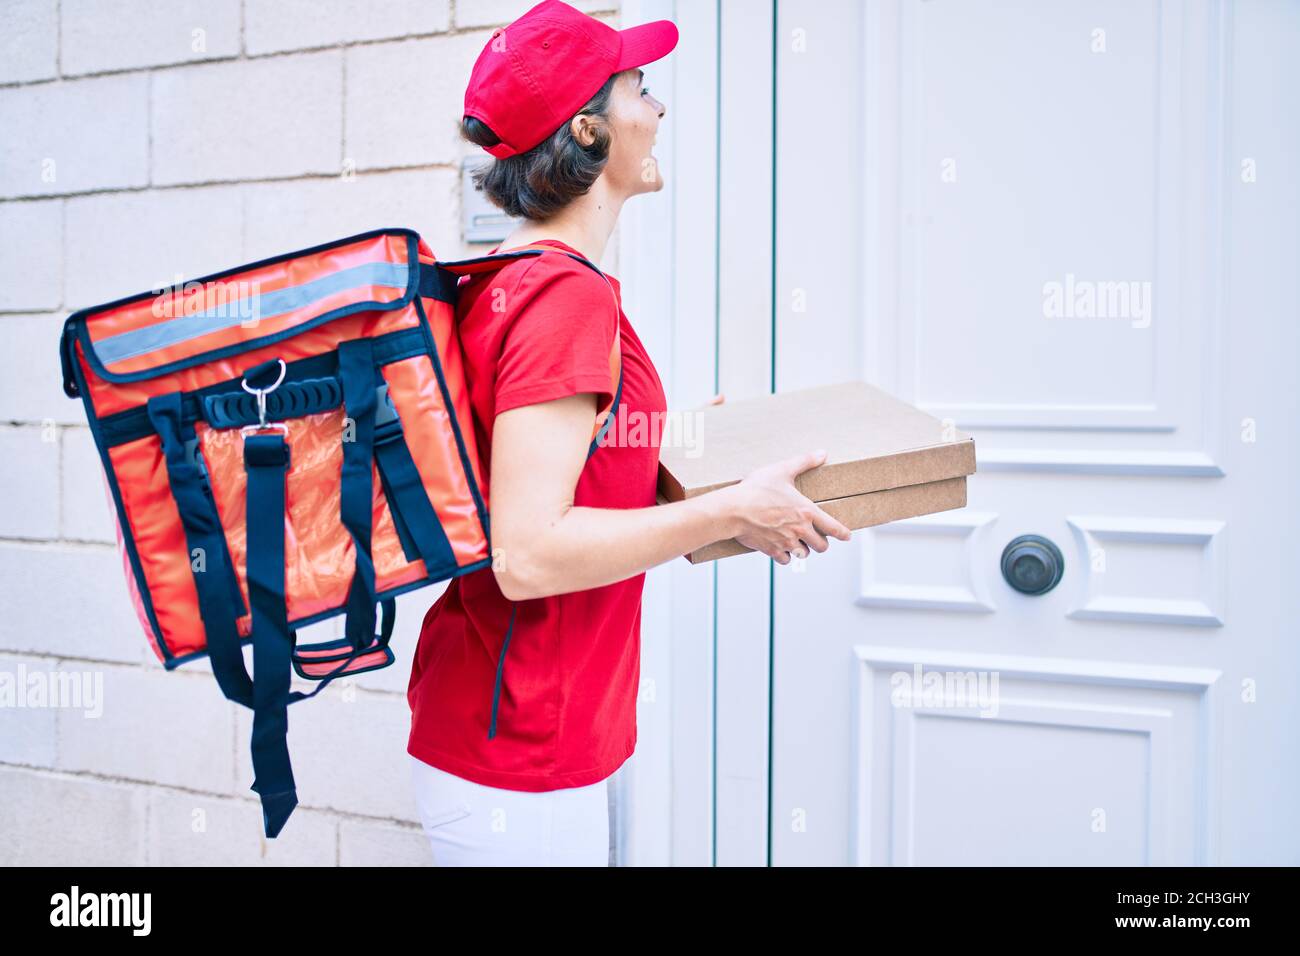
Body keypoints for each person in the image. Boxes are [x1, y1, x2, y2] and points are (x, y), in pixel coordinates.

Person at [406, 0, 851, 866]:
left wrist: (672, 444)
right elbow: (528, 554)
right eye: (639, 89)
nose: (657, 107)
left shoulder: (522, 279)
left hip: (533, 727)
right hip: (521, 750)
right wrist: (730, 513)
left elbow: (550, 461)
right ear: (589, 132)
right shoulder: (563, 296)